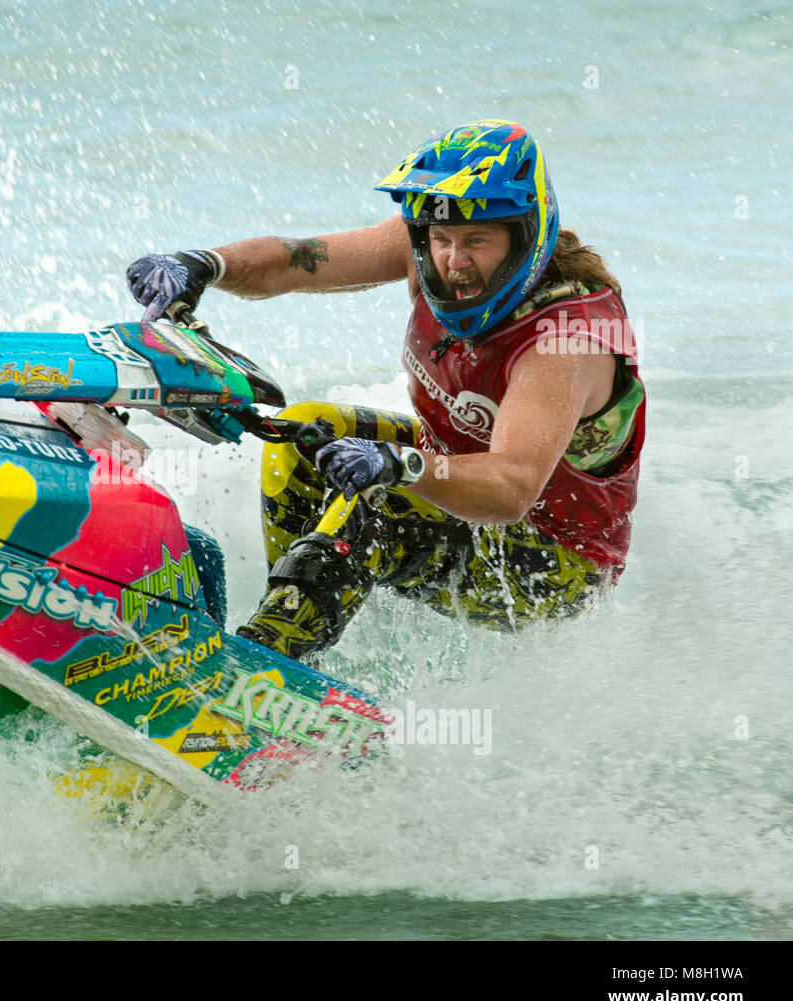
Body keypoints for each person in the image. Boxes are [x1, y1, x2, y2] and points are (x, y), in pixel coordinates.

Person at [126, 119, 645, 662]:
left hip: (552, 565)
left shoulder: (566, 339)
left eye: (477, 241)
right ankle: (287, 640)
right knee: (300, 432)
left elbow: (512, 486)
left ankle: (260, 671)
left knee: (378, 503)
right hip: (453, 473)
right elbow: (293, 263)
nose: (454, 260)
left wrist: (401, 466)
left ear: (524, 235)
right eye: (441, 240)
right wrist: (203, 265)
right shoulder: (427, 242)